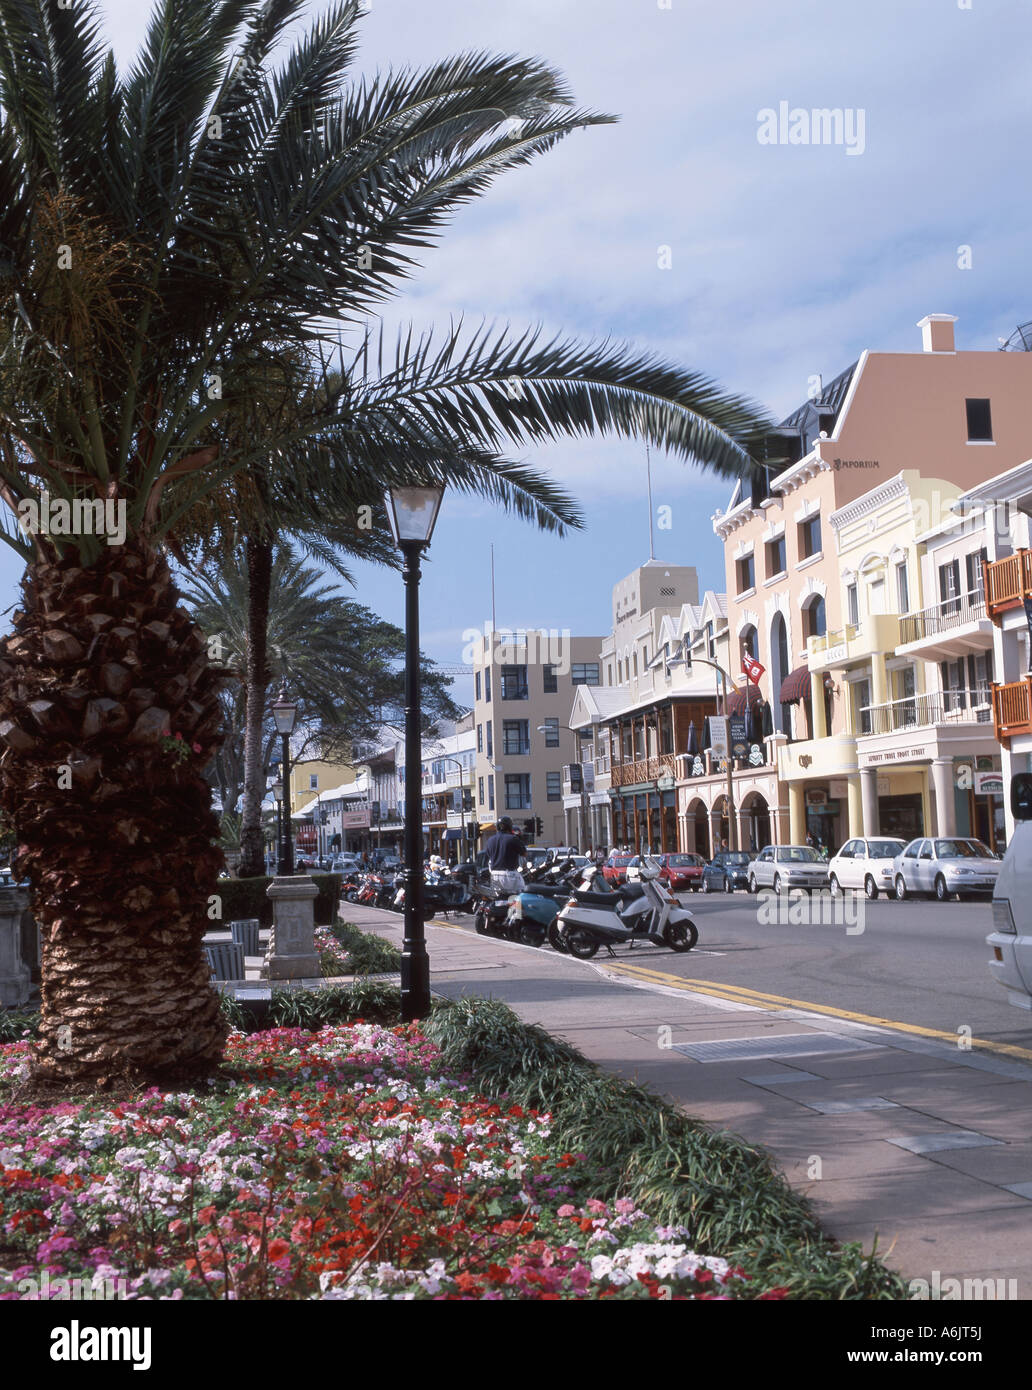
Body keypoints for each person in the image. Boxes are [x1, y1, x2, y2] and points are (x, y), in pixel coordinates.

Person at [484, 816, 527, 895]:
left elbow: (489, 855)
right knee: (521, 896)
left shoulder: (490, 840)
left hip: (494, 874)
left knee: (498, 898)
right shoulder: (513, 838)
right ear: (510, 827)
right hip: (509, 875)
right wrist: (520, 838)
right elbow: (524, 853)